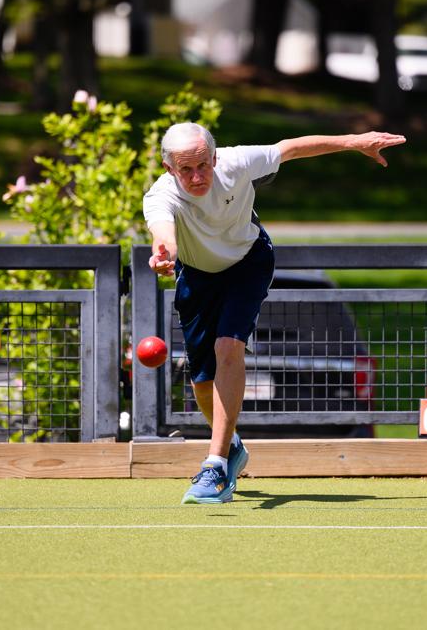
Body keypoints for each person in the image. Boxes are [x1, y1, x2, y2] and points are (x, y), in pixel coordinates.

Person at [143, 123, 406, 503]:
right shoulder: (159, 197)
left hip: (248, 262)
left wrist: (353, 142)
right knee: (201, 379)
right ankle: (231, 445)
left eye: (204, 164)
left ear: (215, 158)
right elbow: (163, 233)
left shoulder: (235, 162)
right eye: (187, 169)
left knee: (227, 346)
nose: (198, 176)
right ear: (170, 168)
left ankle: (214, 466)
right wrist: (164, 254)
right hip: (197, 274)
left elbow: (292, 147)